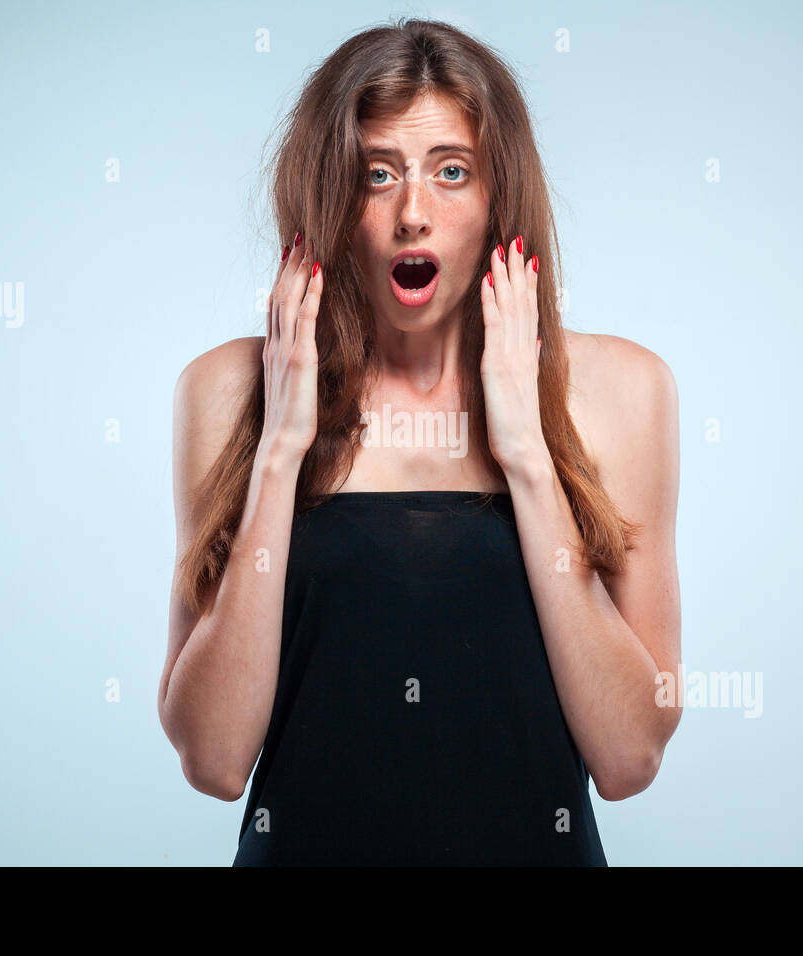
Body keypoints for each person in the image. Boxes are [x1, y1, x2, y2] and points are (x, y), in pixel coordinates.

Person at [157, 17, 682, 866]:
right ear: (330, 198)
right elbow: (213, 762)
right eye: (376, 174)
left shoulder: (621, 392)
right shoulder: (224, 392)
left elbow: (630, 758)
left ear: (497, 198)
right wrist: (280, 454)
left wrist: (527, 461)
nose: (412, 213)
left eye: (451, 172)